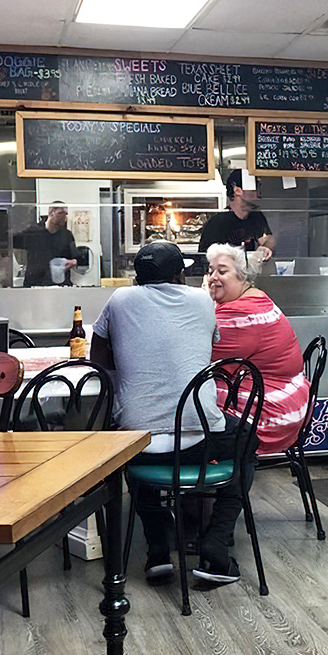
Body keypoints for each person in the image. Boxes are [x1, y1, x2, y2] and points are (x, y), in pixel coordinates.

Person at [90, 240, 258, 586]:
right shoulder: (202, 300)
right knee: (248, 442)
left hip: (140, 441)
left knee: (130, 450)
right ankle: (215, 542)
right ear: (181, 274)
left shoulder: (119, 299)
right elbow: (205, 347)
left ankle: (157, 551)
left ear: (136, 278)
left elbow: (98, 361)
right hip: (198, 438)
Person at [206, 243, 310, 456]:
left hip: (273, 414)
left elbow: (199, 353)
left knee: (188, 399)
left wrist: (203, 299)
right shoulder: (254, 298)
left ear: (242, 276)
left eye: (222, 271)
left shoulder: (242, 313)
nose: (213, 277)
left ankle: (217, 477)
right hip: (287, 399)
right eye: (210, 271)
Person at [198, 168, 276, 261]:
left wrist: (266, 248)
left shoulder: (256, 217)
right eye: (255, 187)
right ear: (238, 191)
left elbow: (268, 239)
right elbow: (204, 257)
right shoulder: (218, 222)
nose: (259, 193)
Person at [13, 202, 78, 287]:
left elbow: (74, 258)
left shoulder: (66, 235)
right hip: (35, 285)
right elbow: (12, 242)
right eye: (61, 213)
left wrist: (72, 262)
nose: (64, 217)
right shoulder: (33, 233)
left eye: (66, 214)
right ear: (51, 213)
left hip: (59, 285)